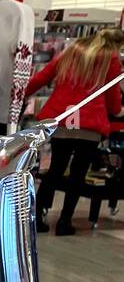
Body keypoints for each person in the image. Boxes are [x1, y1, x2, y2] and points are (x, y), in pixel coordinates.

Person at [28, 27, 124, 235]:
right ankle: (64, 222)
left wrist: (20, 95)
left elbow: (42, 77)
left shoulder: (72, 51)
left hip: (63, 120)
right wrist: (118, 110)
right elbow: (112, 95)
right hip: (89, 124)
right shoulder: (111, 59)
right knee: (78, 175)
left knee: (54, 170)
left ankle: (37, 217)